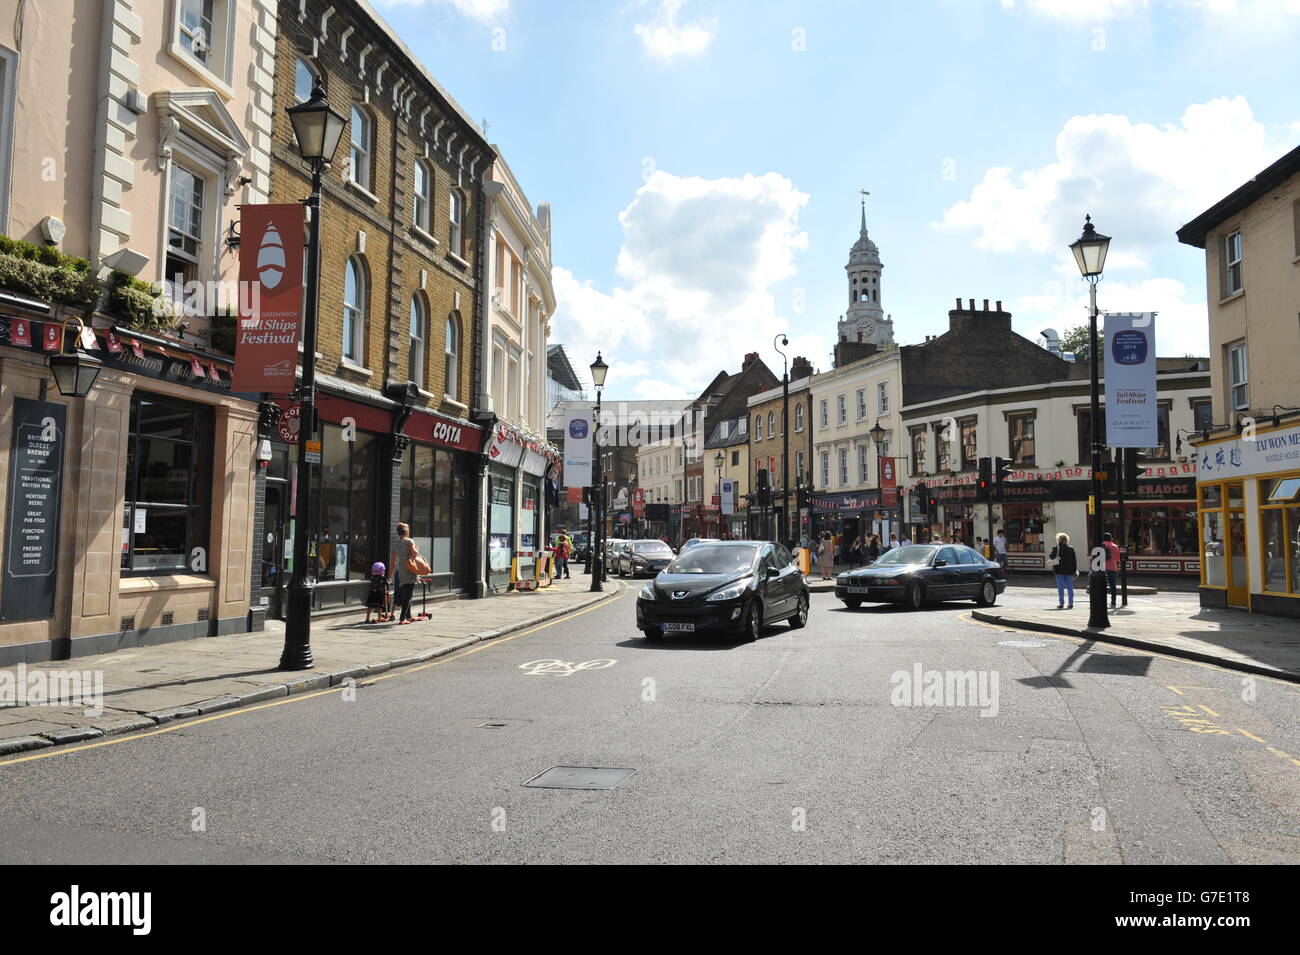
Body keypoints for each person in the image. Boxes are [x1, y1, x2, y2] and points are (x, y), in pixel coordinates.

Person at [389, 523, 420, 625]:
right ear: (406, 531)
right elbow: (415, 554)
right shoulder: (410, 541)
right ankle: (403, 619)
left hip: (400, 571)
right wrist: (417, 549)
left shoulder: (396, 543)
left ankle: (408, 616)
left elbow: (393, 562)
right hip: (410, 570)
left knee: (406, 593)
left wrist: (389, 577)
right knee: (408, 595)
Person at [1048, 532, 1078, 610]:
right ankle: (1070, 603)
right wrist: (1074, 570)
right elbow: (1074, 561)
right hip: (1069, 570)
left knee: (1060, 587)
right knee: (1070, 587)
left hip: (1059, 570)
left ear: (1058, 540)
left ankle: (1061, 603)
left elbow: (1051, 557)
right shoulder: (1071, 548)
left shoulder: (1056, 547)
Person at [1102, 532, 1120, 608]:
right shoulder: (1115, 546)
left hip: (1103, 567)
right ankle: (1113, 602)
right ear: (1111, 538)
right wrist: (1117, 568)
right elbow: (1117, 559)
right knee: (1113, 586)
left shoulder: (1101, 545)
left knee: (1102, 585)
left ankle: (1102, 601)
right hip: (1112, 567)